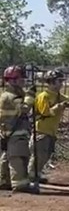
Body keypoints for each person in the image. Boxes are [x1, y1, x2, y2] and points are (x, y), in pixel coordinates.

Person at [32, 69, 69, 183]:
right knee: (39, 156)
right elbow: (45, 113)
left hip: (51, 131)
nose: (61, 84)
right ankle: (31, 177)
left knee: (46, 155)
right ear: (51, 81)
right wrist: (58, 107)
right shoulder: (44, 96)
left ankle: (37, 174)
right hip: (41, 130)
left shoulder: (59, 96)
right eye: (59, 81)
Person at [0, 65, 36, 193]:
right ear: (13, 80)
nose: (23, 82)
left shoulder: (10, 94)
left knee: (7, 157)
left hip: (10, 133)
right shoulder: (10, 96)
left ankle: (4, 181)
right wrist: (30, 96)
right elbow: (24, 109)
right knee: (18, 158)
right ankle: (20, 184)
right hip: (15, 133)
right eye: (21, 79)